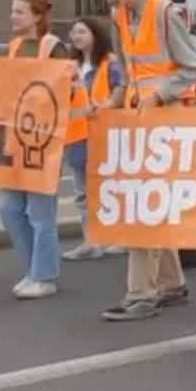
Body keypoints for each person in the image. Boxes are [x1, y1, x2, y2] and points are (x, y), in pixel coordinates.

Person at [93, 0, 196, 322]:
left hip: (167, 117)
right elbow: (126, 72)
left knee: (144, 205)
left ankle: (140, 294)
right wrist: (111, 103)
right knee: (152, 201)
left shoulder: (165, 12)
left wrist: (159, 95)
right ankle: (170, 284)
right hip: (139, 117)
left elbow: (194, 67)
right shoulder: (119, 16)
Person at [0, 0, 70, 300]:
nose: (13, 17)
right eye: (12, 11)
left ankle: (45, 276)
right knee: (9, 209)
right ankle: (33, 270)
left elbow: (65, 85)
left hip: (44, 139)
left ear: (37, 16)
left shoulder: (52, 46)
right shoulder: (14, 46)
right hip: (16, 136)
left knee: (41, 213)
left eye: (19, 12)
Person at [63, 17, 126, 261]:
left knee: (112, 188)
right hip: (77, 135)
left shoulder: (111, 63)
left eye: (82, 31)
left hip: (104, 135)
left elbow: (120, 90)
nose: (76, 36)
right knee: (83, 191)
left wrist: (105, 106)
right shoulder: (71, 66)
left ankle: (121, 237)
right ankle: (91, 240)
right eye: (73, 32)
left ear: (95, 35)